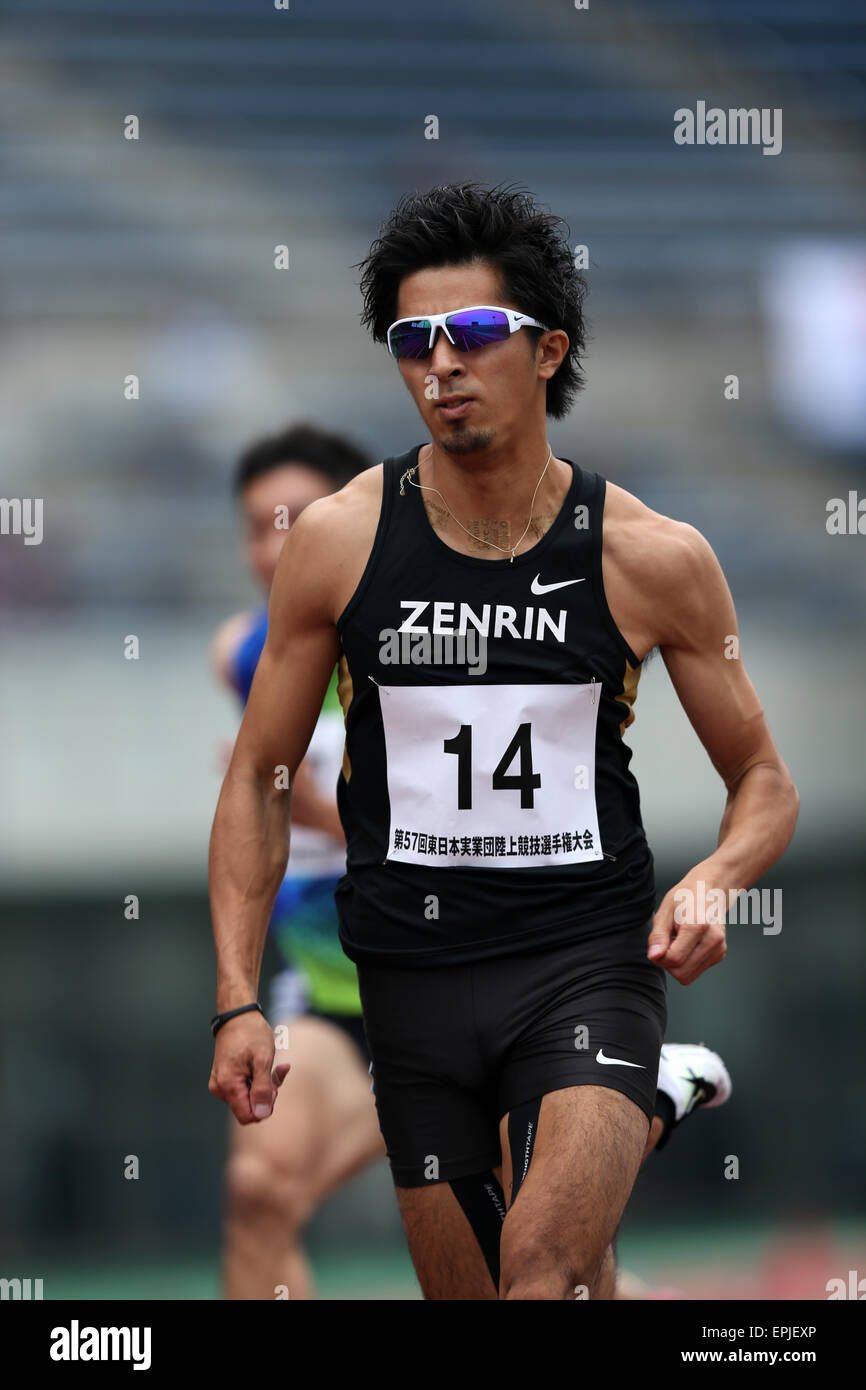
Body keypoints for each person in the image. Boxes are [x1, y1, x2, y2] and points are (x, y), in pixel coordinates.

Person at [208, 183, 798, 1300]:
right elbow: (256, 779)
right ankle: (651, 1108)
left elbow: (763, 778)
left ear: (545, 351)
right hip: (408, 980)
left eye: (473, 333)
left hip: (579, 958)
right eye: (411, 340)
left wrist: (717, 878)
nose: (440, 363)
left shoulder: (649, 555)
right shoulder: (337, 543)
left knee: (538, 1267)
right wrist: (238, 995)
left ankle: (626, 1098)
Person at [210, 423, 384, 1300]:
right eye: (254, 526)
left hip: (459, 983)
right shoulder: (244, 658)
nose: (273, 547)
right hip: (323, 996)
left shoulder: (410, 649)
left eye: (294, 519)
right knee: (259, 1191)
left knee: (528, 1253)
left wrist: (328, 813)